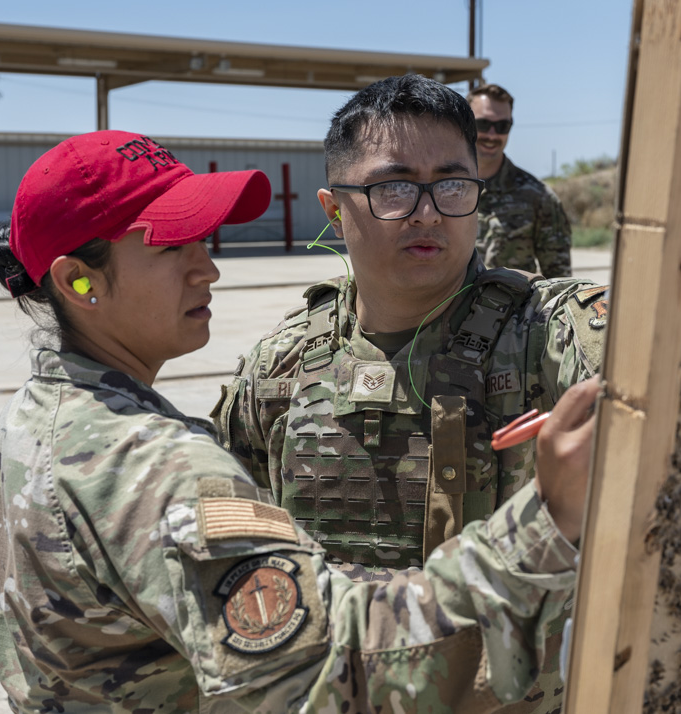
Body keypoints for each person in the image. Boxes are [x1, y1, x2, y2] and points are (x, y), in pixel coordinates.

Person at [0, 129, 600, 712]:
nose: (207, 268)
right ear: (79, 283)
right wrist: (546, 526)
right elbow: (330, 673)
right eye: (173, 246)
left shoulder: (27, 428)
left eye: (203, 240)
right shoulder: (153, 466)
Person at [216, 75, 608, 712]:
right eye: (393, 187)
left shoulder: (546, 330)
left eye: (452, 184)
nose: (427, 212)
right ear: (334, 207)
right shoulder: (280, 366)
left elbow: (645, 352)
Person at [466, 83, 572, 278]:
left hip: (510, 308)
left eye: (502, 126)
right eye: (483, 124)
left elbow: (559, 282)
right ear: (466, 122)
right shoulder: (441, 188)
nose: (492, 135)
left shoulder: (538, 197)